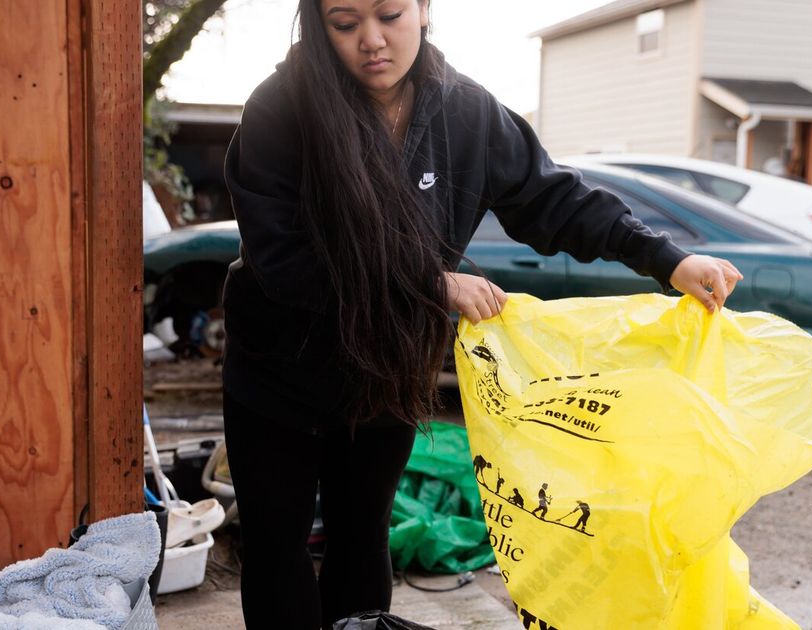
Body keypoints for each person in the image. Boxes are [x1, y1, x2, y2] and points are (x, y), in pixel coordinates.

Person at [220, 1, 743, 627]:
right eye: (345, 23)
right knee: (277, 544)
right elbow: (284, 258)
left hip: (384, 372)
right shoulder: (280, 109)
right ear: (318, 24)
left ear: (422, 9)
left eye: (390, 15)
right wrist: (431, 282)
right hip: (277, 371)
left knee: (361, 535)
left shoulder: (465, 111)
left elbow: (553, 198)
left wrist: (666, 259)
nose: (371, 40)